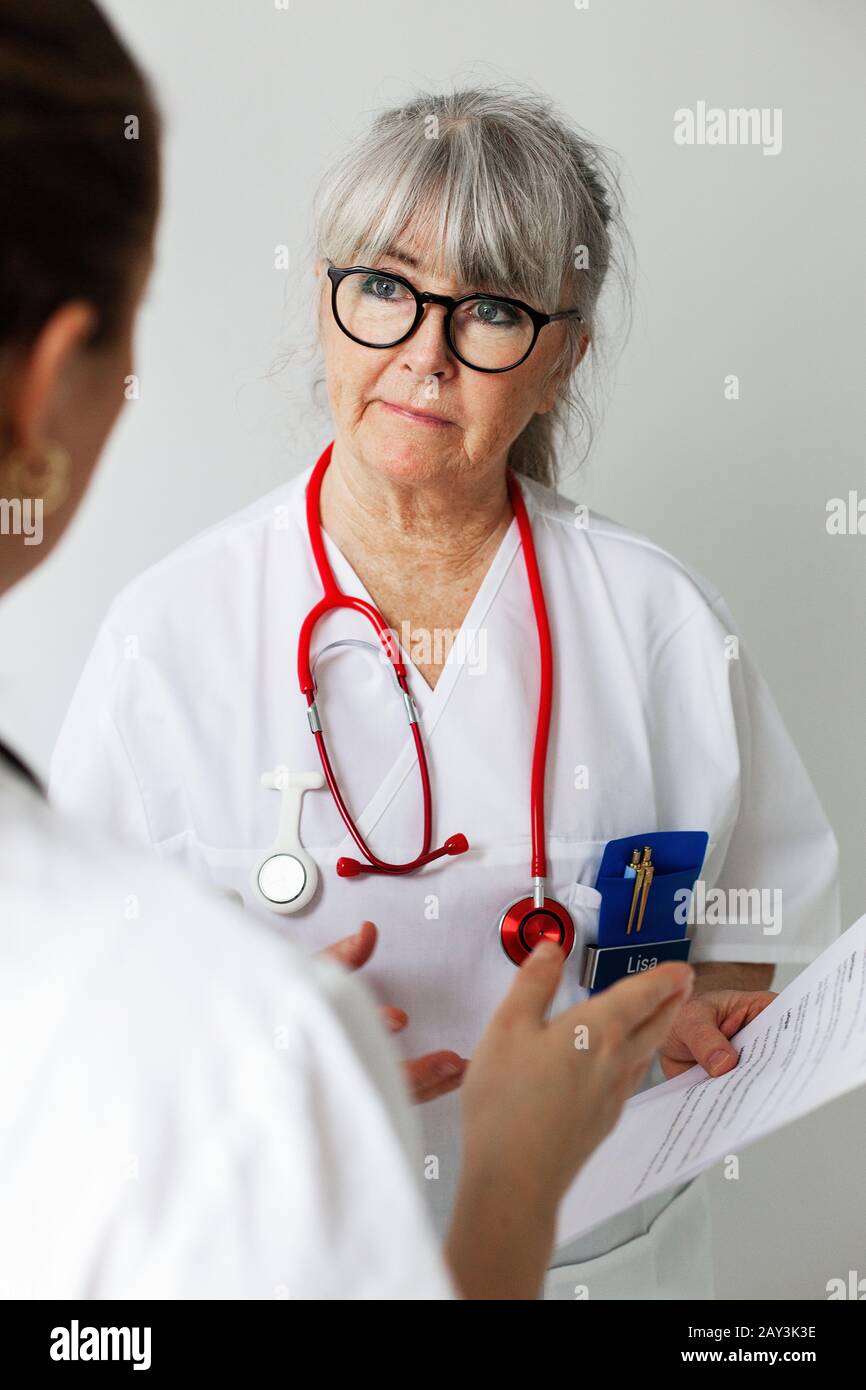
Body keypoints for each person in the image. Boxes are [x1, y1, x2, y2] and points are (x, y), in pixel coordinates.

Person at [49, 78, 841, 1299]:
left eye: (488, 309)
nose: (423, 353)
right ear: (325, 304)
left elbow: (752, 934)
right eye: (383, 287)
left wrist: (708, 1011)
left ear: (560, 357)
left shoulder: (660, 624)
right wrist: (270, 1057)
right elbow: (74, 1014)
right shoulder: (170, 636)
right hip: (279, 1265)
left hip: (601, 1265)